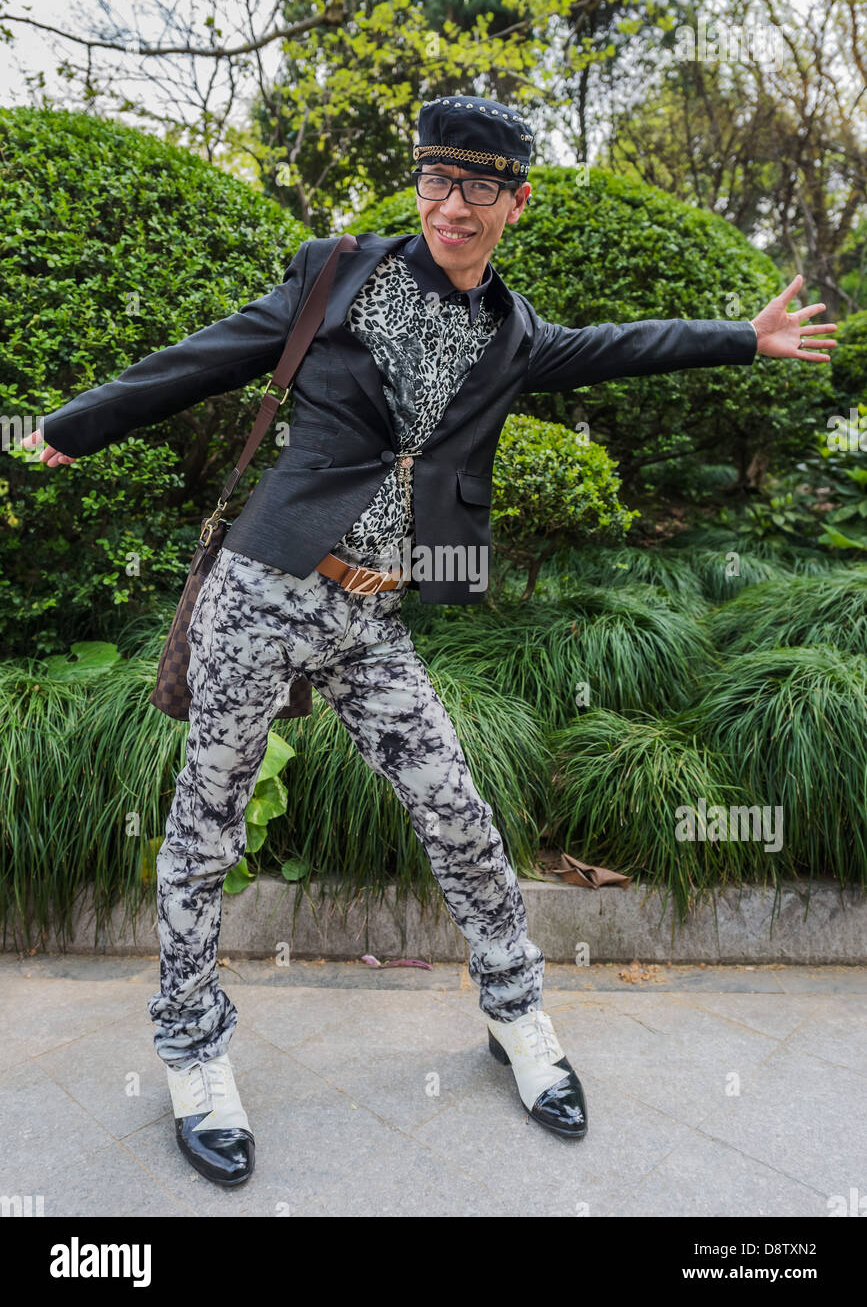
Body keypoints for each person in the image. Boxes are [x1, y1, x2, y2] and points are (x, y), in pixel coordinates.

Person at [26, 94, 837, 1188]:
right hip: (263, 591)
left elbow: (620, 348)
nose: (452, 205)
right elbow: (207, 356)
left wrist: (746, 336)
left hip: (374, 616)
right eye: (437, 180)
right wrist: (75, 427)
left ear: (517, 199)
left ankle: (517, 1015)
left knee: (457, 811)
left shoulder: (513, 331)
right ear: (419, 182)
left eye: (479, 185)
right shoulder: (338, 272)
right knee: (205, 827)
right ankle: (193, 1051)